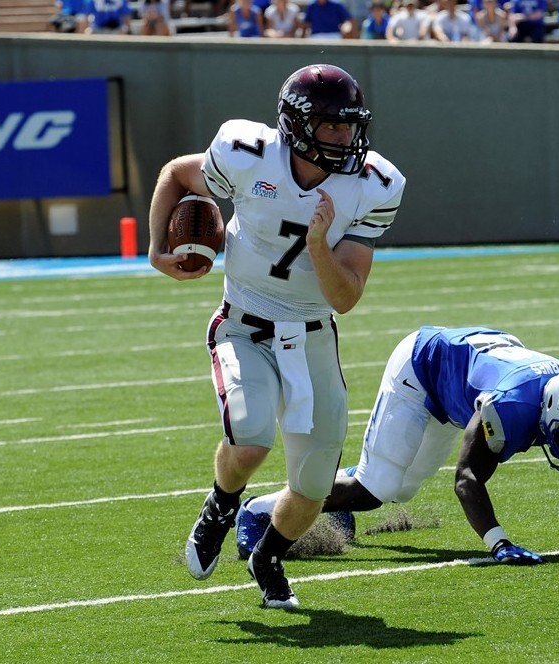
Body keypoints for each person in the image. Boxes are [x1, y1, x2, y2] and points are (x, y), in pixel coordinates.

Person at [147, 64, 405, 609]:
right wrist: (156, 249)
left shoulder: (375, 185)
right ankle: (220, 506)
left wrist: (318, 248)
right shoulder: (246, 153)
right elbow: (175, 173)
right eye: (331, 125)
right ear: (294, 125)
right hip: (244, 322)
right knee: (251, 435)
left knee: (313, 488)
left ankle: (268, 557)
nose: (345, 136)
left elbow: (346, 297)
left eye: (350, 125)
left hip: (313, 331)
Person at [236, 326, 559, 565]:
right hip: (420, 370)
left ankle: (332, 506)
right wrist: (499, 543)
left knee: (401, 491)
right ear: (551, 410)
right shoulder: (510, 407)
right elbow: (467, 479)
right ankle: (259, 510)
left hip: (458, 382)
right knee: (378, 488)